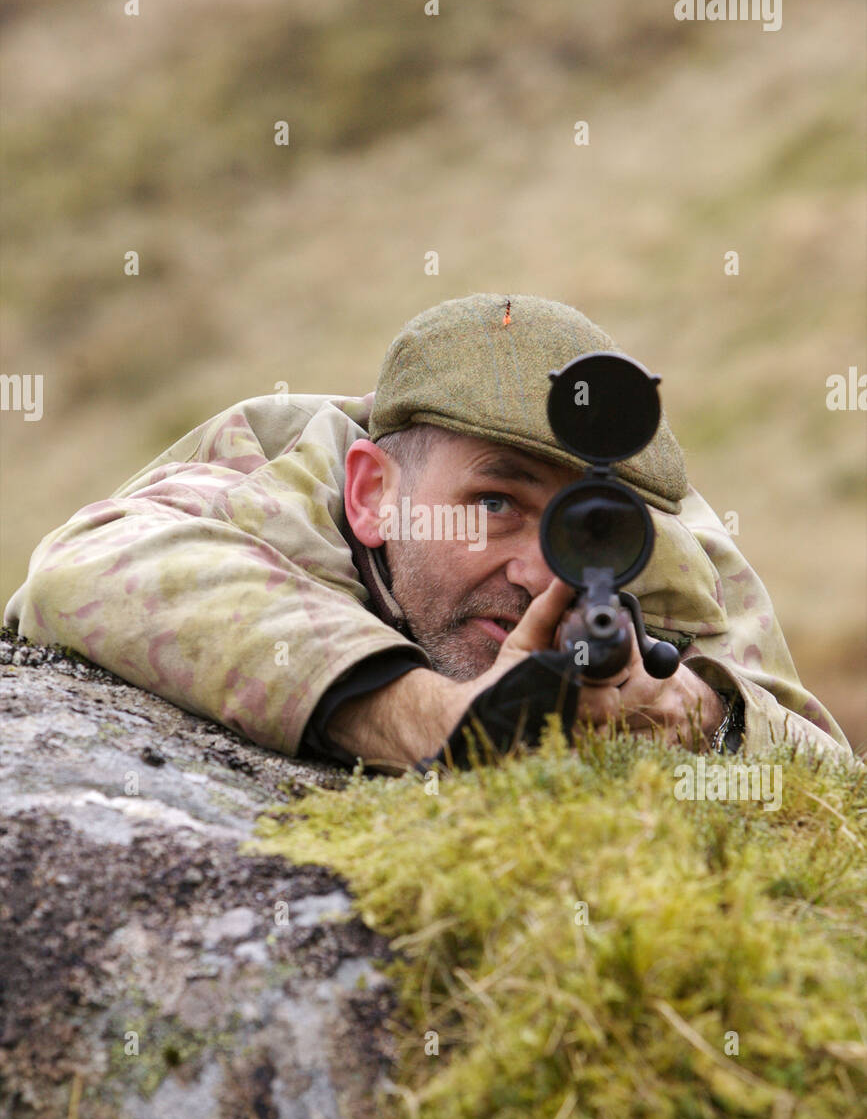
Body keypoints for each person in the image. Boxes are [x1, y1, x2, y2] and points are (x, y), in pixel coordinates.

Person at [4, 293, 851, 773]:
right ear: (376, 493)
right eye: (493, 503)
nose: (535, 572)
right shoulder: (278, 481)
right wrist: (438, 721)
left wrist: (698, 716)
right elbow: (83, 569)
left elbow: (841, 795)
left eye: (575, 525)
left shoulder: (668, 560)